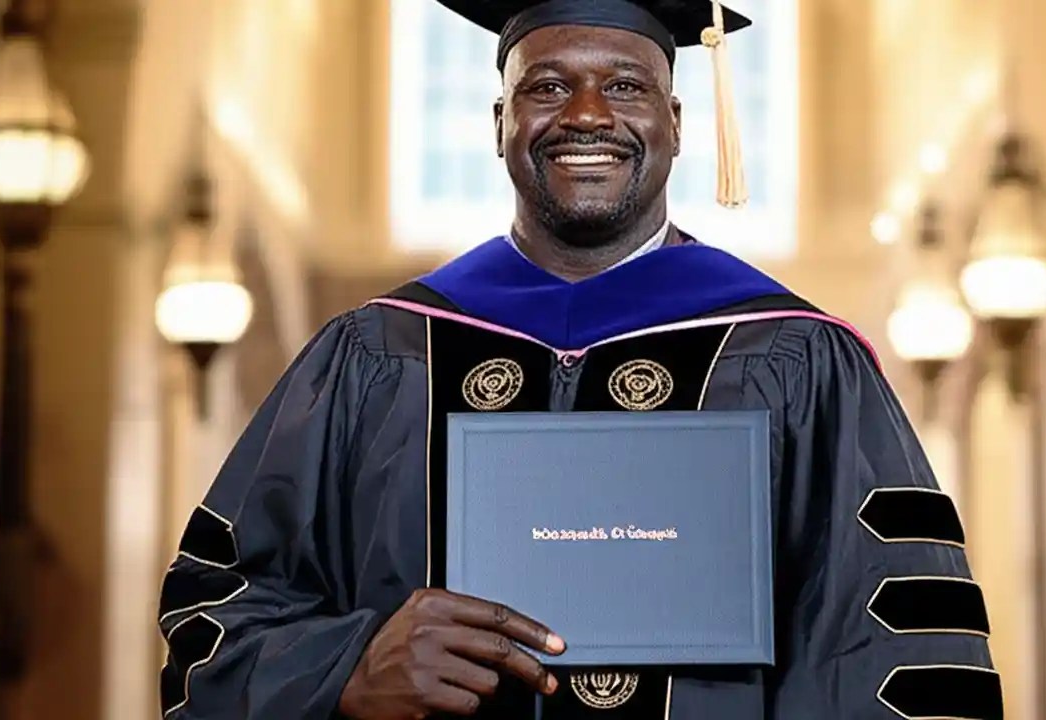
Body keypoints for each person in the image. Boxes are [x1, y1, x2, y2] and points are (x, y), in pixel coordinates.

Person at [156, 0, 1001, 718]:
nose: (588, 114)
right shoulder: (374, 356)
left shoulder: (800, 360)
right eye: (548, 86)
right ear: (500, 125)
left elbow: (901, 656)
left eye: (626, 85)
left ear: (675, 122)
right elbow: (214, 612)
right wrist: (348, 669)